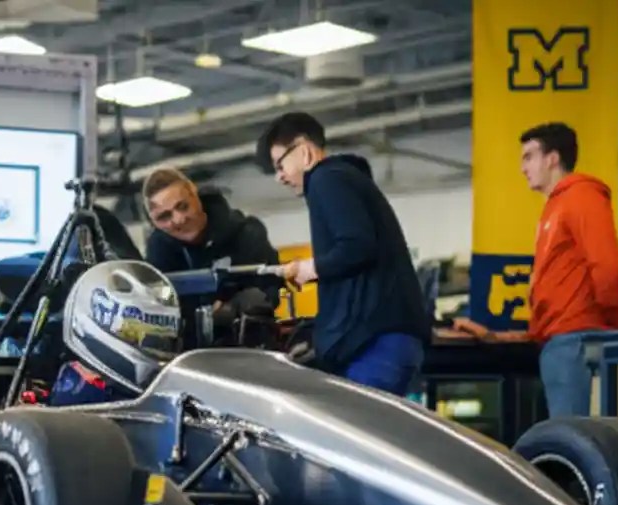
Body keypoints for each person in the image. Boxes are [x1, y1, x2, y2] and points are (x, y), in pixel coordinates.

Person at [453, 122, 618, 417]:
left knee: (569, 437)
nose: (523, 167)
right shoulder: (555, 207)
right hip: (560, 338)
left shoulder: (582, 197)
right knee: (566, 433)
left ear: (552, 159)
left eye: (529, 156)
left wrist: (607, 328)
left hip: (572, 337)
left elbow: (607, 265)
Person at [256, 112, 430, 396]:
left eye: (280, 165)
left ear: (304, 150)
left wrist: (311, 268)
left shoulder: (326, 179)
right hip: (390, 340)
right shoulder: (347, 178)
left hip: (374, 344)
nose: (280, 177)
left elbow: (356, 246)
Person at [142, 167, 281, 319]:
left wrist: (234, 307)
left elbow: (272, 288)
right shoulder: (158, 254)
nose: (179, 219)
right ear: (153, 223)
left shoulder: (245, 233)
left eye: (183, 206)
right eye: (164, 217)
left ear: (195, 194)